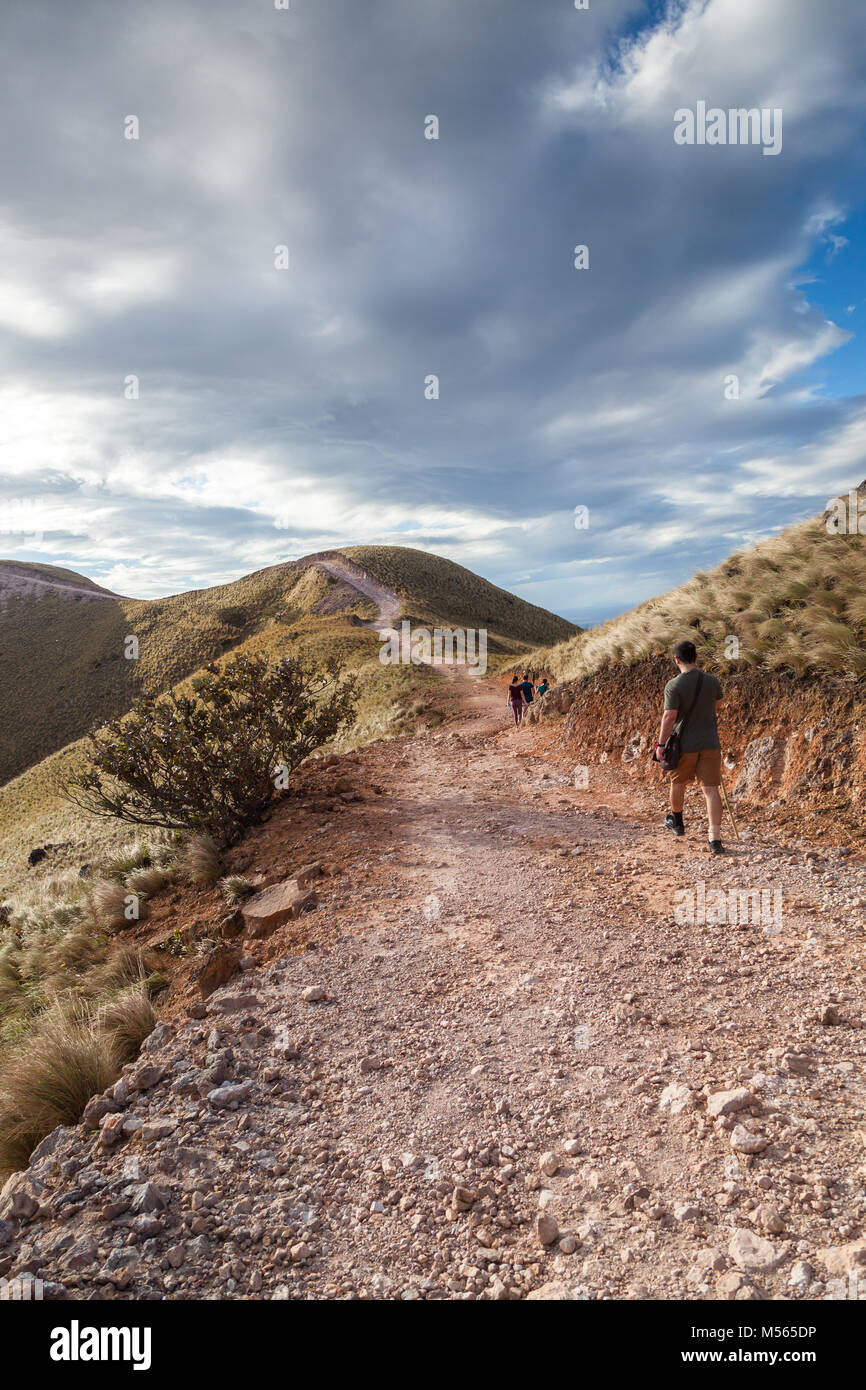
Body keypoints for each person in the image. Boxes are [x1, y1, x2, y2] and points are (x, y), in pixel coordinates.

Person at [655, 640, 725, 853]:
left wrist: (660, 744)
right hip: (711, 742)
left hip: (684, 744)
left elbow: (669, 716)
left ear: (677, 660)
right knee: (711, 790)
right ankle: (715, 838)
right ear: (696, 657)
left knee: (678, 783)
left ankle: (677, 823)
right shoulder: (713, 681)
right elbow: (717, 705)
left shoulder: (674, 685)